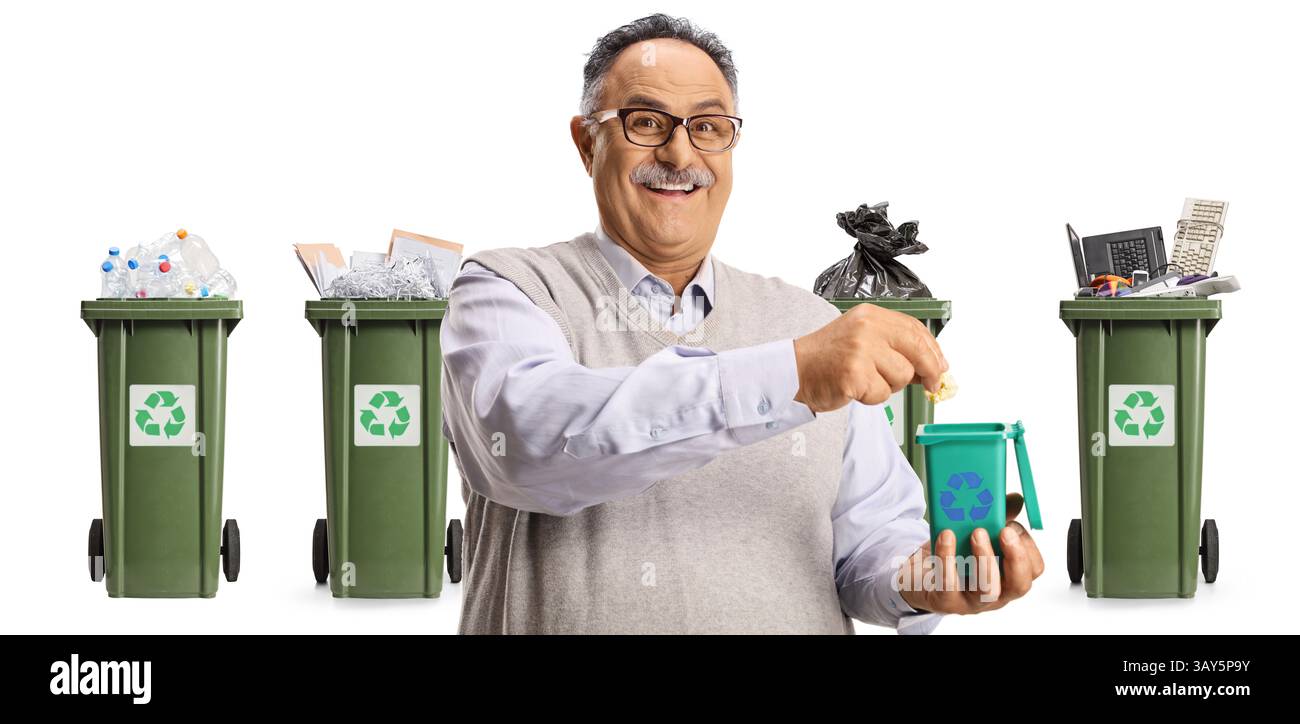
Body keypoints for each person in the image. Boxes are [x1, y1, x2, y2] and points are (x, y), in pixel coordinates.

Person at [440, 14, 1043, 634]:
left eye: (707, 128)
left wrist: (923, 580)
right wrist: (793, 374)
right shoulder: (510, 290)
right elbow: (525, 445)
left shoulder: (809, 322)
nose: (680, 155)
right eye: (646, 122)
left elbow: (870, 548)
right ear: (587, 142)